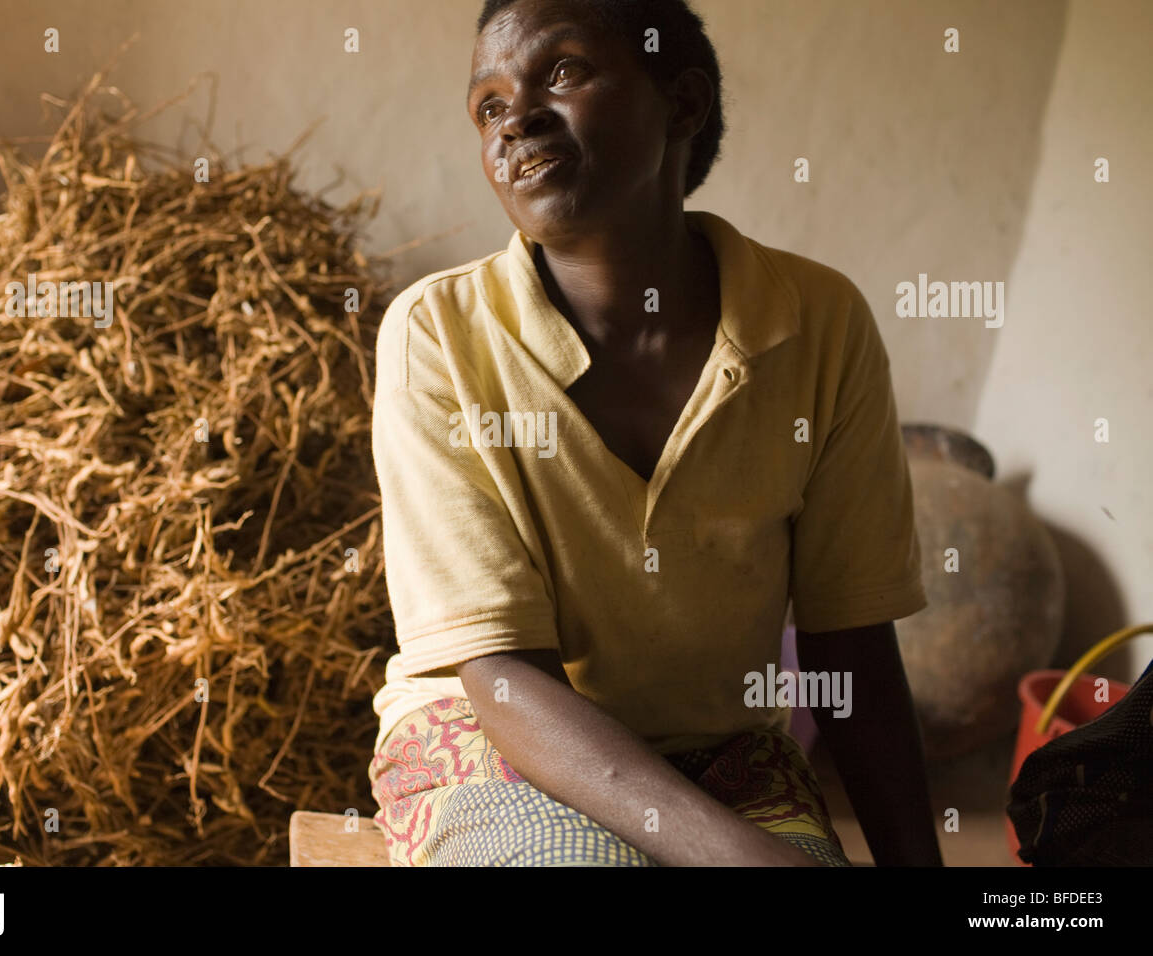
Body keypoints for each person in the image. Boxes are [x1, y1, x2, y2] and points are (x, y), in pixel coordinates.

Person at [366, 0, 943, 867]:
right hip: (497, 741)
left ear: (683, 104)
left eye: (561, 72)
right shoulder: (438, 333)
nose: (514, 117)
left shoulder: (818, 322)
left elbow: (849, 639)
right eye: (487, 105)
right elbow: (502, 673)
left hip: (725, 751)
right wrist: (739, 856)